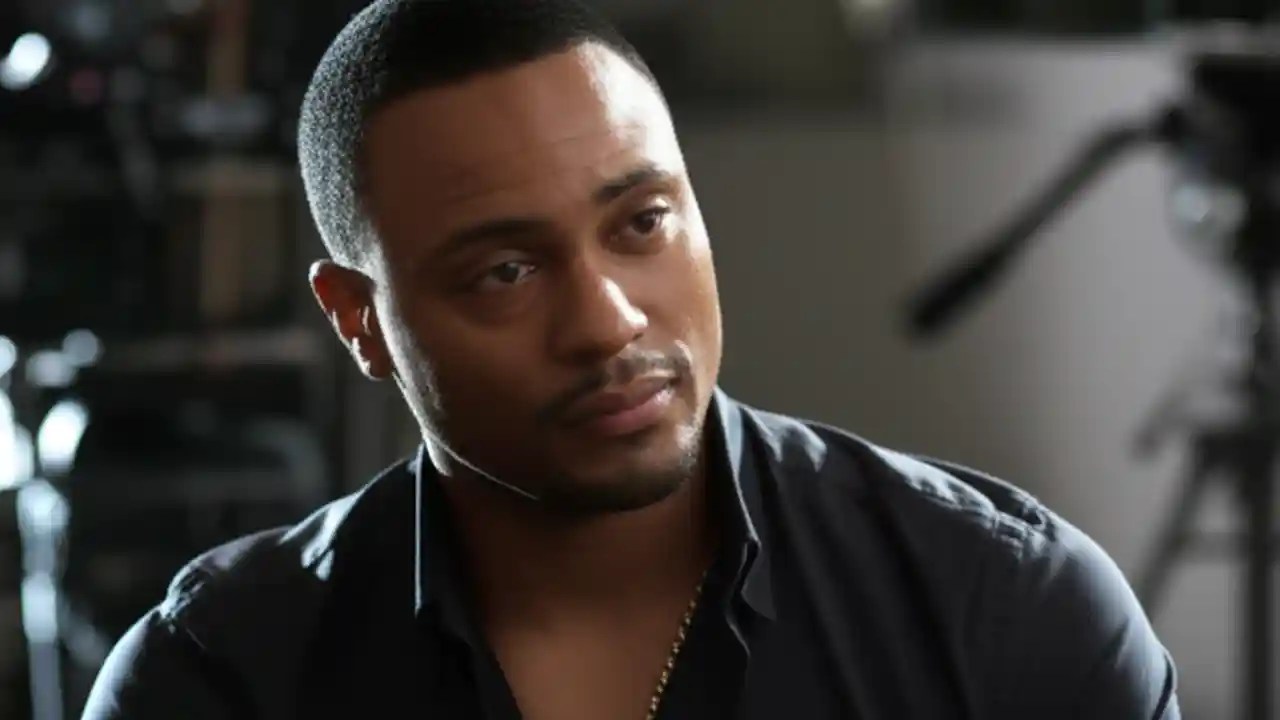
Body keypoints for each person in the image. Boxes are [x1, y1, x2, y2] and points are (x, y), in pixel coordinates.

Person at [82, 1, 1181, 718]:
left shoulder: (1001, 610)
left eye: (641, 223)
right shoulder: (217, 681)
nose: (606, 325)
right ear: (357, 320)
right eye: (503, 271)